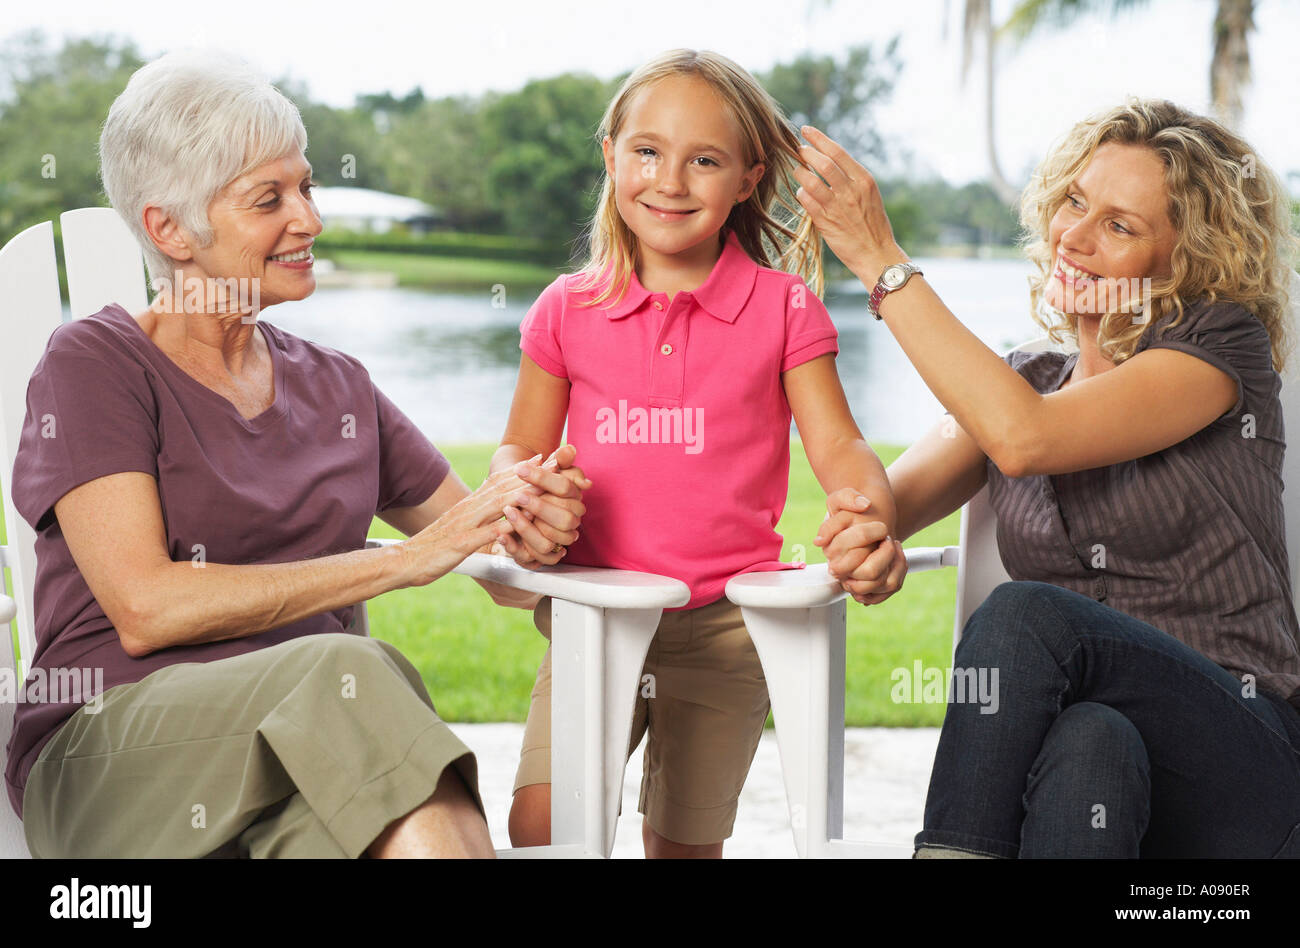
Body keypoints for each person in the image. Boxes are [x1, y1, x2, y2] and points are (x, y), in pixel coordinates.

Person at [3, 50, 589, 859]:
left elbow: (492, 550)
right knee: (351, 670)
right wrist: (402, 562)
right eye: (268, 199)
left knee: (403, 820)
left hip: (312, 756)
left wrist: (536, 512)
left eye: (306, 188)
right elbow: (148, 607)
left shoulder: (338, 388)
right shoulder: (94, 366)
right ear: (168, 228)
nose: (309, 219)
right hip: (111, 756)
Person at [803, 99, 1300, 857]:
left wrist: (880, 261)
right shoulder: (1025, 379)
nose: (1073, 237)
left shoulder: (1220, 350)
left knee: (1026, 612)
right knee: (1090, 742)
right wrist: (862, 524)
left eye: (1119, 225)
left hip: (1242, 760)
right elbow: (884, 502)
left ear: (1187, 260)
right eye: (1075, 201)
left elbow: (1023, 437)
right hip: (1105, 764)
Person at [494, 48, 906, 859]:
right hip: (595, 617)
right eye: (646, 151)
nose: (670, 180)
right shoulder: (564, 309)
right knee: (542, 828)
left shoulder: (786, 310)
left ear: (749, 179)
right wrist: (519, 488)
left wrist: (867, 512)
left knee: (682, 846)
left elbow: (842, 445)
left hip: (728, 631)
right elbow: (519, 445)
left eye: (704, 160)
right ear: (611, 156)